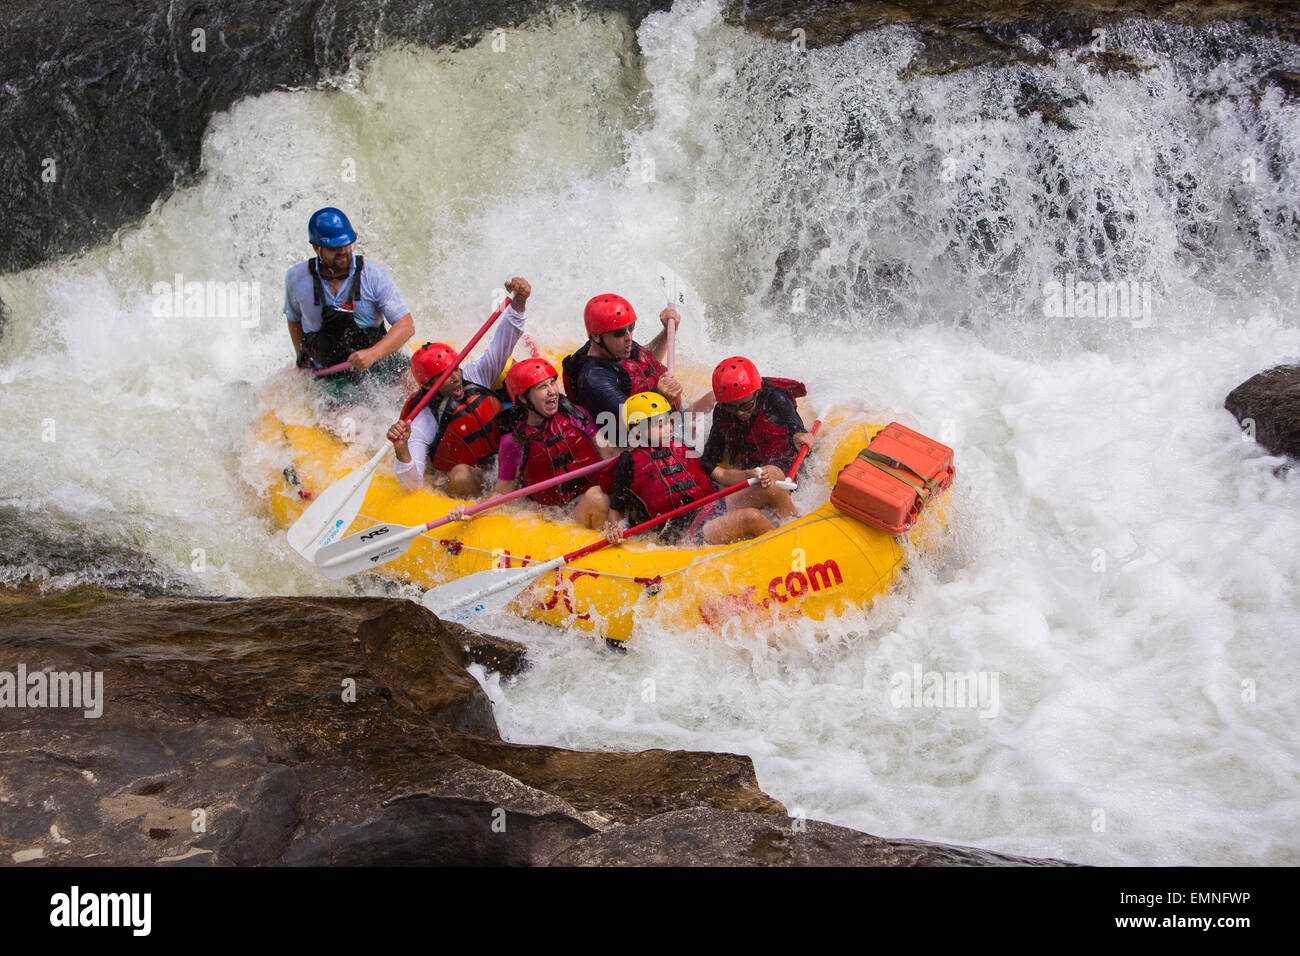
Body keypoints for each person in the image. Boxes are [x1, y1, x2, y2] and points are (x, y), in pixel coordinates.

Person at [387, 278, 530, 496]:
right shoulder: (422, 419)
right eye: (444, 375)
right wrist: (401, 449)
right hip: (474, 478)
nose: (455, 377)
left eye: (455, 369)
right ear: (426, 384)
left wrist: (518, 304)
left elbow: (502, 344)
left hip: (506, 459)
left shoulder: (473, 374)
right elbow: (412, 484)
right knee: (460, 475)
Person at [604, 392, 780, 548]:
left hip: (710, 506)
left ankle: (797, 527)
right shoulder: (628, 463)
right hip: (683, 531)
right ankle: (785, 552)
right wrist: (614, 529)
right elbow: (616, 507)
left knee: (771, 488)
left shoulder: (682, 445)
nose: (669, 429)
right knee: (751, 518)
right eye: (660, 425)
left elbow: (720, 474)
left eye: (669, 422)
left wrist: (748, 475)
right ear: (637, 433)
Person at [484, 358, 614, 530]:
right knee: (597, 497)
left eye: (552, 383)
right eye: (542, 387)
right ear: (523, 399)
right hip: (560, 518)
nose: (552, 391)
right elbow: (502, 492)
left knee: (602, 495)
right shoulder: (514, 442)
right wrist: (468, 512)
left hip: (594, 497)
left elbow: (609, 453)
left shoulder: (577, 415)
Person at [284, 207, 414, 377]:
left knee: (411, 382)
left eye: (346, 245)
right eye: (334, 248)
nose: (343, 252)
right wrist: (303, 366)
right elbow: (294, 321)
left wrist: (373, 354)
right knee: (351, 406)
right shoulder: (296, 278)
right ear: (316, 248)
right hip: (329, 372)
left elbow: (406, 326)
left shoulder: (375, 276)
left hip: (377, 360)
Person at [700, 356, 814, 520]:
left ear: (757, 393)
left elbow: (797, 430)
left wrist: (799, 435)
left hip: (783, 468)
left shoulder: (776, 399)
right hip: (748, 473)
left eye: (746, 406)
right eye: (732, 408)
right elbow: (709, 460)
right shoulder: (722, 411)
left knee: (770, 475)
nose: (740, 413)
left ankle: (791, 520)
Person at [561, 294, 684, 431]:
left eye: (631, 327)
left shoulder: (615, 346)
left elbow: (645, 361)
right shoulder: (595, 380)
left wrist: (667, 331)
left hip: (669, 422)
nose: (629, 337)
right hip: (641, 439)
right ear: (596, 336)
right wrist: (662, 396)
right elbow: (634, 422)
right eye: (619, 332)